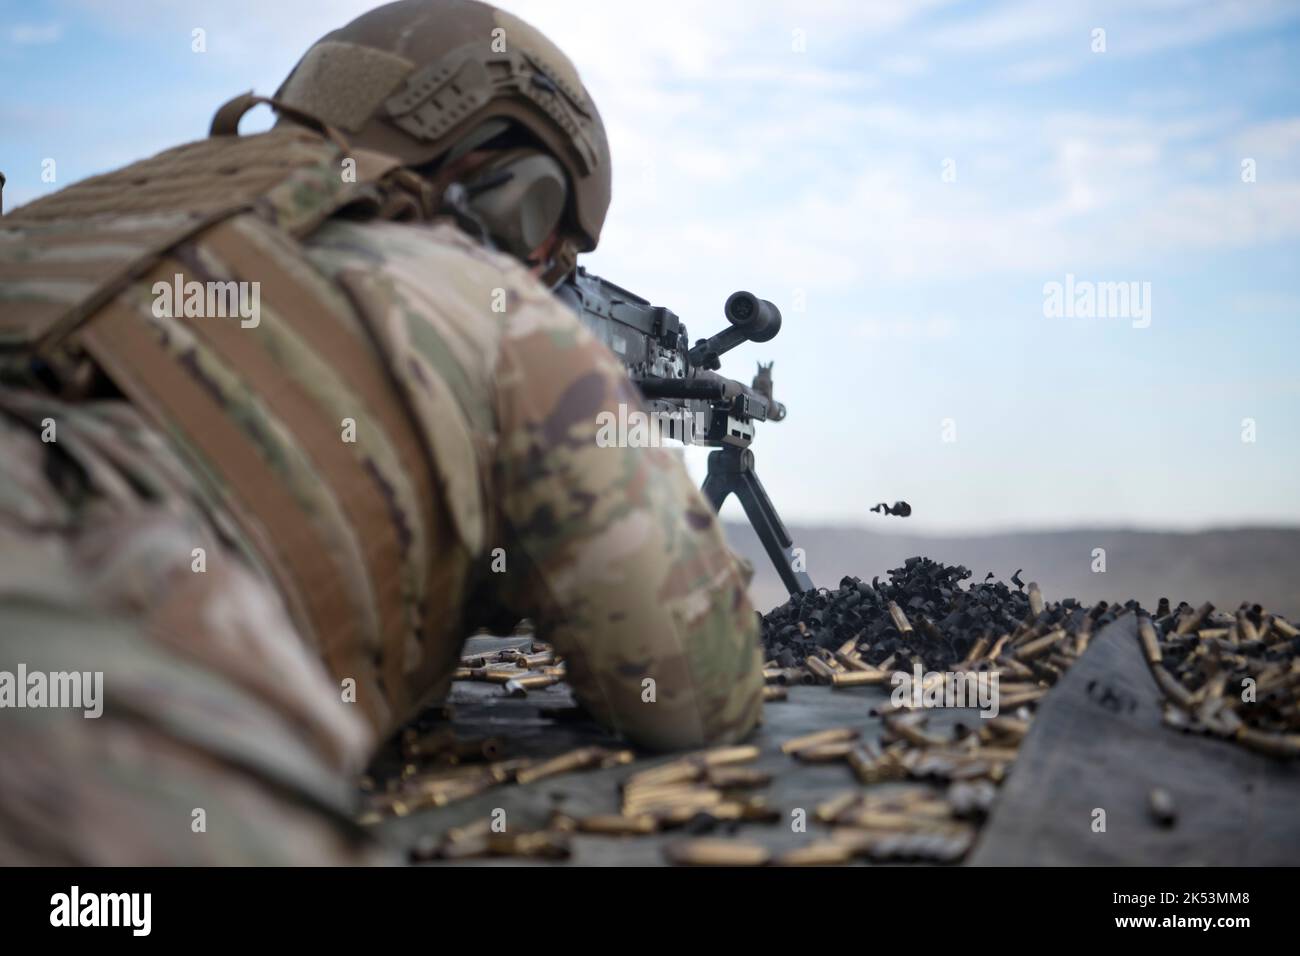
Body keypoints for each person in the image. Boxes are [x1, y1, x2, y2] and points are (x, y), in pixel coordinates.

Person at [0, 0, 763, 864]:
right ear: (525, 200)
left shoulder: (63, 223)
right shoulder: (495, 309)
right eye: (556, 248)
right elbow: (700, 689)